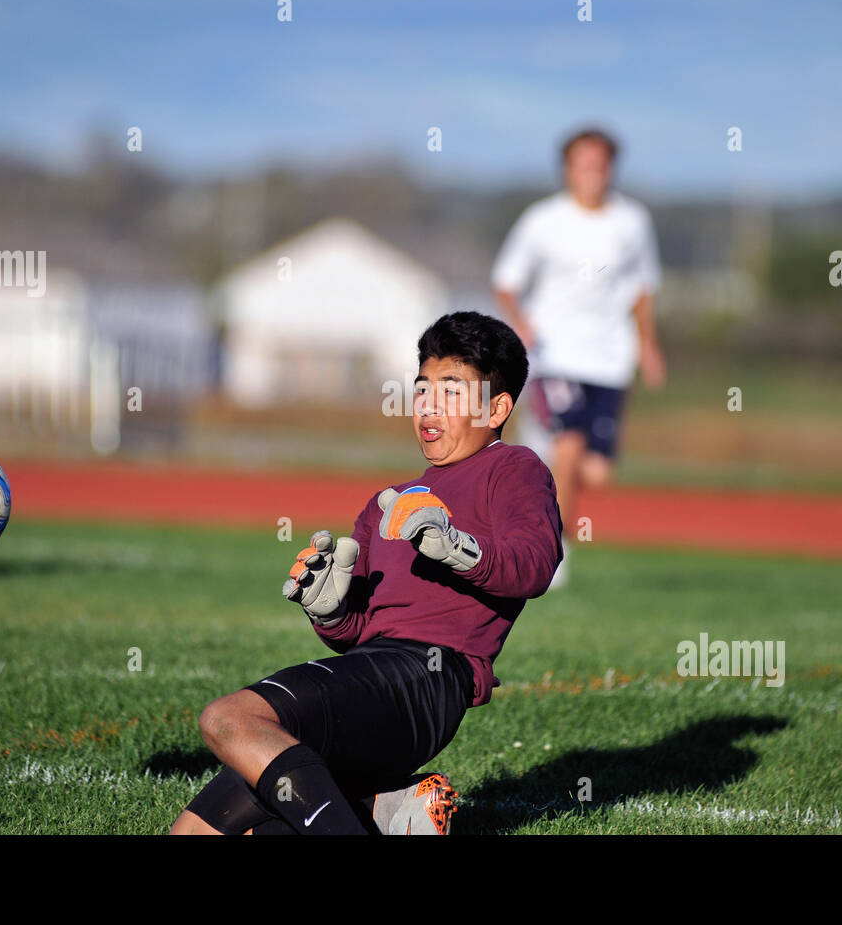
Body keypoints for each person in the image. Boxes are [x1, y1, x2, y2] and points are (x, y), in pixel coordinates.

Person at [169, 311, 563, 835]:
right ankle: (387, 809)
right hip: (370, 680)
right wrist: (331, 611)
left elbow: (534, 565)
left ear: (497, 408)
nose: (428, 407)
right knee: (195, 834)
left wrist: (457, 547)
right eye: (422, 390)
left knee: (229, 719)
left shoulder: (515, 467)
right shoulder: (388, 504)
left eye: (451, 392)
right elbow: (355, 633)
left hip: (426, 679)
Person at [493, 128, 666, 586]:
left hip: (610, 358)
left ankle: (541, 450)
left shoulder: (633, 221)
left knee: (598, 471)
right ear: (567, 169)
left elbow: (644, 288)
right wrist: (522, 322)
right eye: (582, 162)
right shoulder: (543, 220)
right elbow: (506, 280)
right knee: (568, 447)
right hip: (556, 354)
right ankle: (554, 549)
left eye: (600, 162)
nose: (592, 171)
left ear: (611, 167)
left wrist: (648, 343)